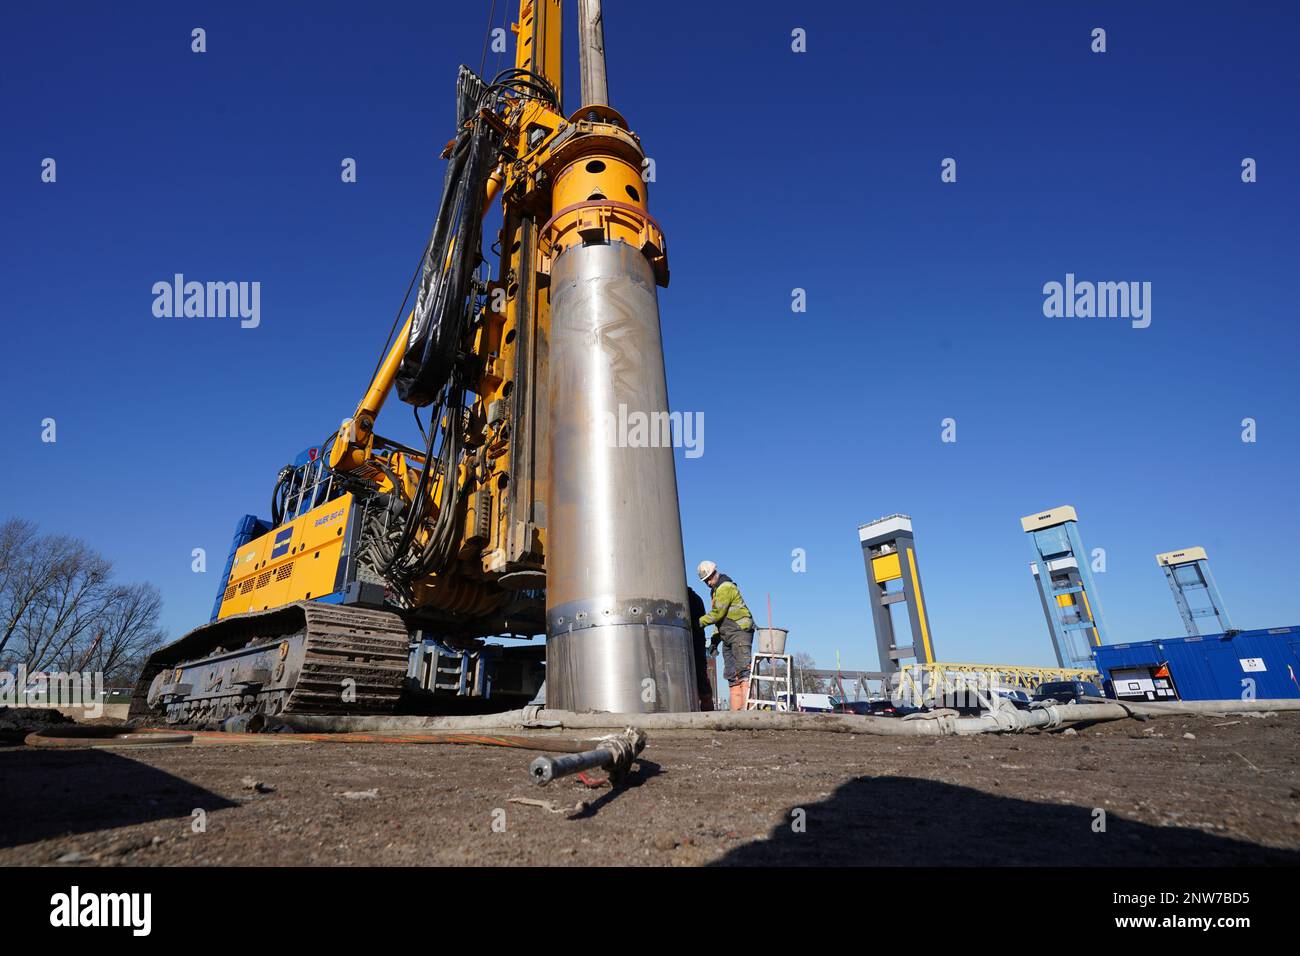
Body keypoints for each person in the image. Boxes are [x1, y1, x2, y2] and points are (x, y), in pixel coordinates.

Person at [695, 560, 756, 711]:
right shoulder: (715, 591)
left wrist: (697, 623)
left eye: (709, 578)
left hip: (739, 631)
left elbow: (717, 614)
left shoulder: (725, 587)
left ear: (715, 573)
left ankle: (749, 714)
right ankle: (735, 715)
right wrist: (715, 640)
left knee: (743, 670)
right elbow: (720, 620)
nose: (708, 583)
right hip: (727, 633)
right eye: (705, 581)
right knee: (731, 674)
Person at [687, 588, 715, 710]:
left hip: (695, 640)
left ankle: (706, 706)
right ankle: (707, 707)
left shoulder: (688, 598)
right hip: (698, 640)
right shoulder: (697, 598)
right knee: (701, 675)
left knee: (700, 675)